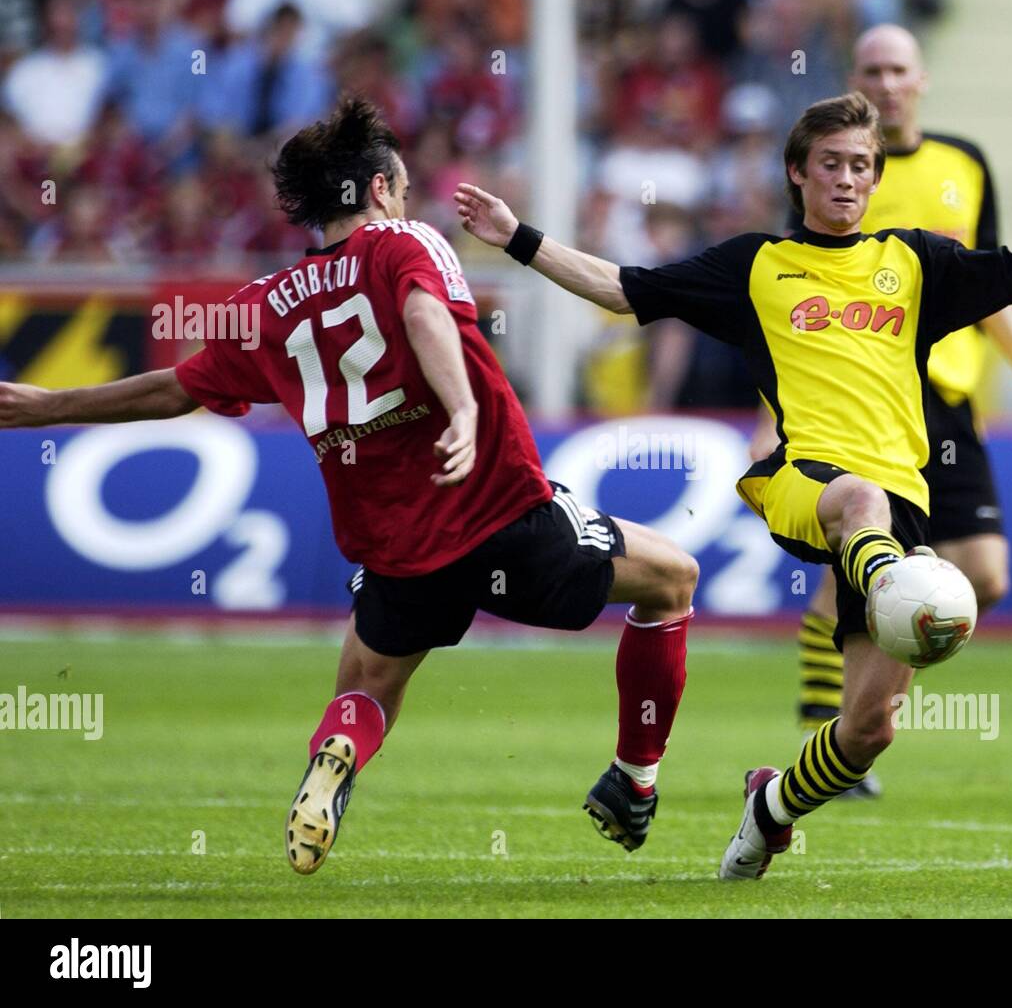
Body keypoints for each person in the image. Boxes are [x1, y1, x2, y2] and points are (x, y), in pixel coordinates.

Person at [0, 99, 700, 875]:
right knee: (672, 576)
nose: (404, 196)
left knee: (367, 686)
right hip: (498, 507)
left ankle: (339, 749)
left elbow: (177, 388)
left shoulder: (263, 305)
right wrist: (463, 406)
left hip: (397, 552)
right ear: (378, 186)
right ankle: (634, 781)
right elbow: (425, 313)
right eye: (398, 183)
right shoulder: (402, 242)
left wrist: (48, 406)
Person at [455, 91, 1012, 879]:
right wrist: (516, 238)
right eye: (831, 164)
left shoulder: (914, 262)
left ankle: (770, 807)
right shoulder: (756, 265)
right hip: (804, 479)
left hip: (901, 506)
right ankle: (897, 585)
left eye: (862, 165)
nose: (848, 179)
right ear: (798, 172)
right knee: (859, 503)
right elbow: (625, 287)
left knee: (868, 732)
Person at [752, 24, 1012, 795]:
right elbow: (781, 302)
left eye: (899, 69)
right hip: (862, 391)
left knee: (985, 576)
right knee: (862, 556)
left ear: (921, 79)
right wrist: (773, 415)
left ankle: (860, 707)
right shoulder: (834, 167)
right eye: (872, 71)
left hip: (950, 391)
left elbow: (993, 275)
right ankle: (827, 719)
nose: (887, 83)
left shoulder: (962, 162)